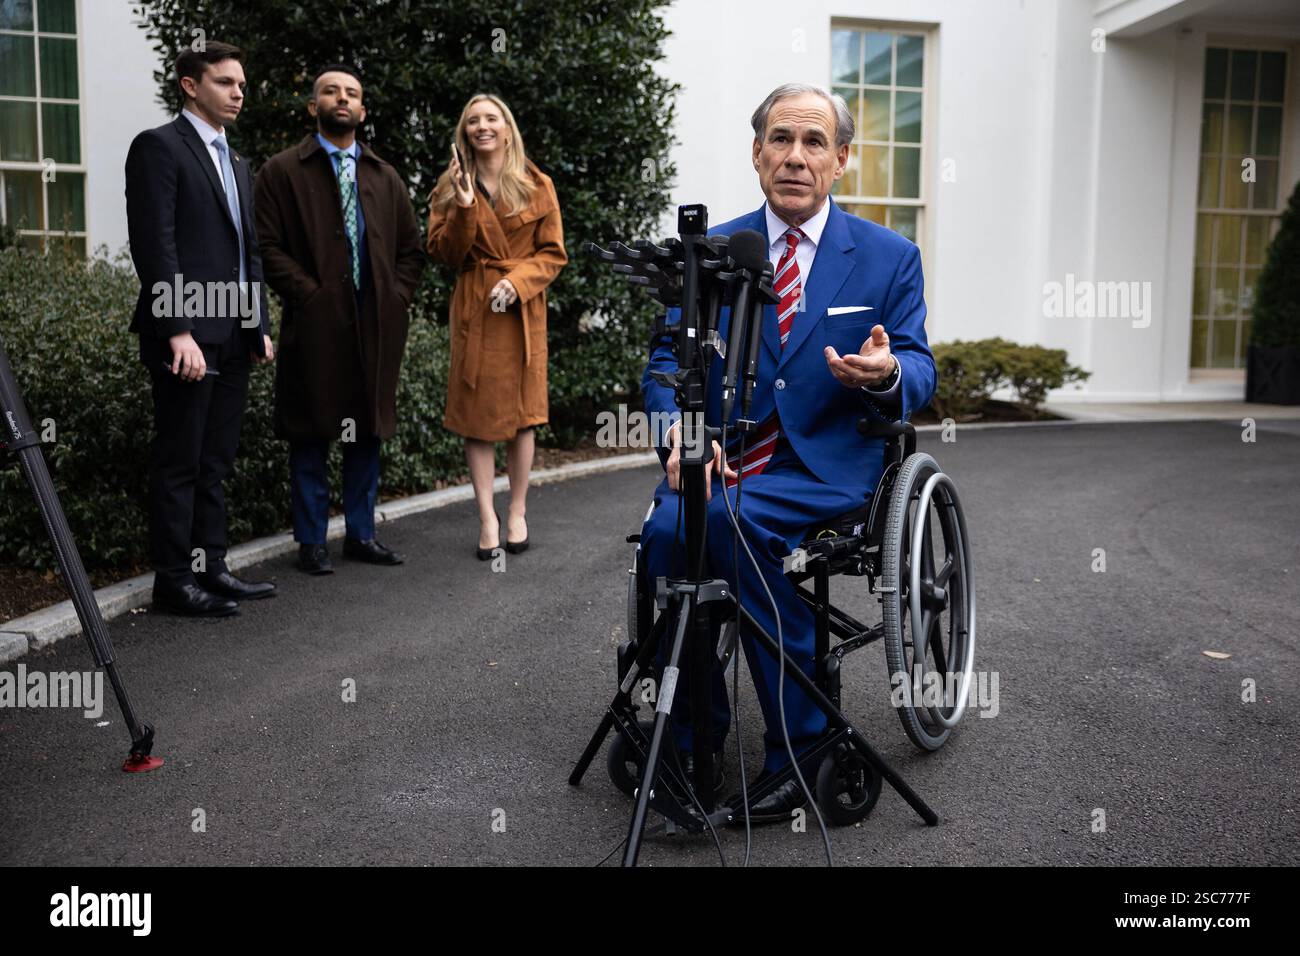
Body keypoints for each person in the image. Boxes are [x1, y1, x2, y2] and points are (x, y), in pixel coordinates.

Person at [638, 83, 937, 822]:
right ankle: (688, 740)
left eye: (812, 143)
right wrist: (677, 427)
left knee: (721, 526)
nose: (794, 157)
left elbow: (920, 366)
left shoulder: (889, 257)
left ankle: (804, 746)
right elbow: (662, 367)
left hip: (825, 467)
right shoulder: (710, 252)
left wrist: (889, 372)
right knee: (666, 532)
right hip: (722, 456)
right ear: (756, 153)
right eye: (780, 140)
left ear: (840, 159)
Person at [254, 65, 426, 575]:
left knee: (364, 434)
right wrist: (308, 294)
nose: (342, 99)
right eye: (331, 91)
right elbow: (265, 245)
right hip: (314, 325)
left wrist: (395, 298)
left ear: (363, 110)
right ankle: (311, 542)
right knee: (311, 434)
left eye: (352, 93)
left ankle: (361, 535)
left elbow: (411, 252)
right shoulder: (283, 171)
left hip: (375, 325)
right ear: (314, 106)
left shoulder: (383, 175)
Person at [125, 41, 276, 617]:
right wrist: (177, 330)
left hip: (233, 334)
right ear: (191, 85)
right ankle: (173, 582)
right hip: (185, 335)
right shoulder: (159, 148)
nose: (239, 92)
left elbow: (248, 251)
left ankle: (211, 569)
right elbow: (155, 244)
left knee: (215, 461)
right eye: (225, 82)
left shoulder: (236, 161)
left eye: (241, 83)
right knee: (180, 461)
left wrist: (256, 323)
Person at [425, 94, 567, 559]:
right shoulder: (450, 187)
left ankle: (518, 510)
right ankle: (487, 516)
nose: (482, 126)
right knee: (478, 421)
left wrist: (518, 280)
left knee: (524, 418)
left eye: (491, 119)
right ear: (465, 132)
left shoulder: (536, 183)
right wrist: (465, 208)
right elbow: (444, 254)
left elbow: (552, 254)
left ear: (507, 128)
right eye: (473, 121)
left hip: (522, 314)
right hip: (477, 312)